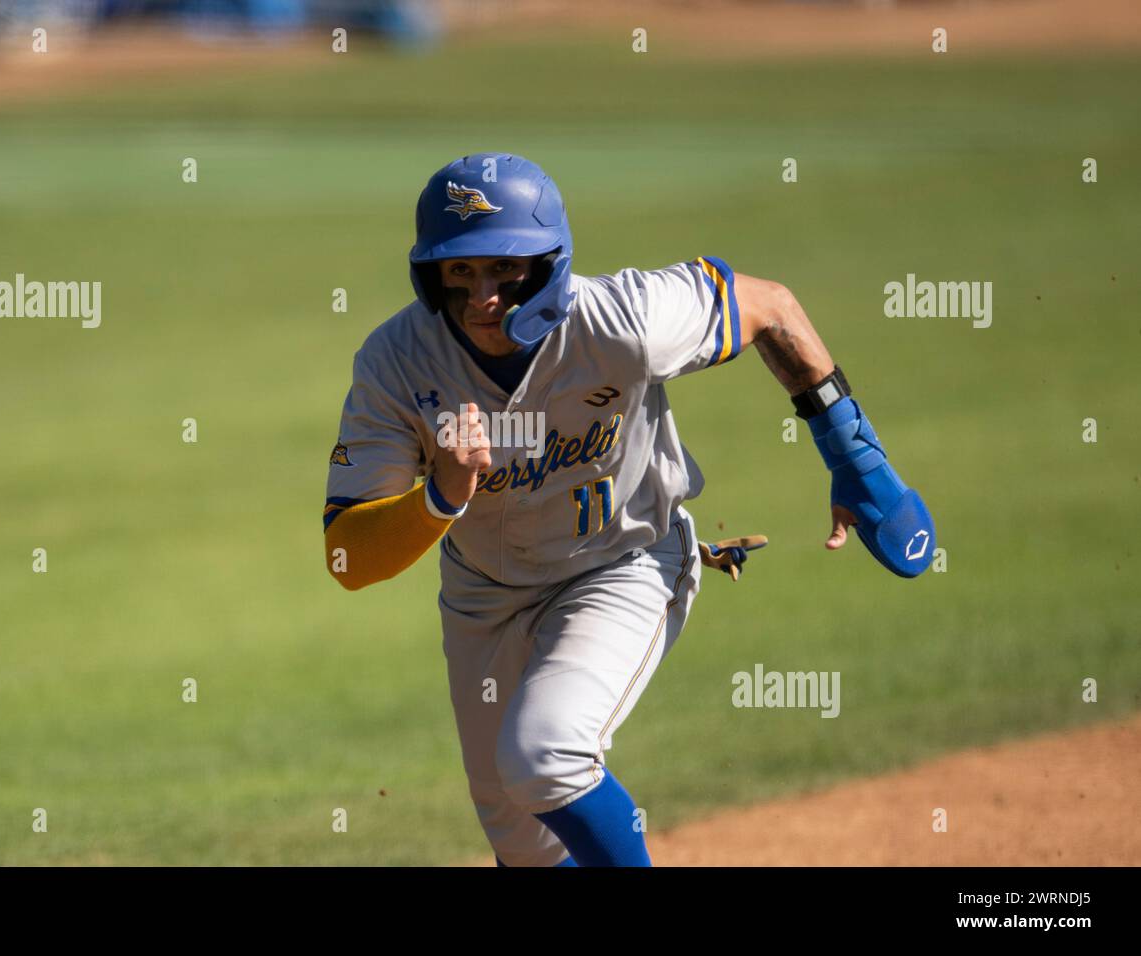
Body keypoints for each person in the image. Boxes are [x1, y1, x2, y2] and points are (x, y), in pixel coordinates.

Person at [322, 152, 934, 866]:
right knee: (525, 845)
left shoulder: (626, 319)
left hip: (625, 563)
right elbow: (348, 559)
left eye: (503, 270)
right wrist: (439, 496)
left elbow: (770, 306)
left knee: (545, 755)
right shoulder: (397, 363)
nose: (482, 297)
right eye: (459, 273)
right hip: (483, 596)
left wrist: (858, 462)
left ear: (548, 265)